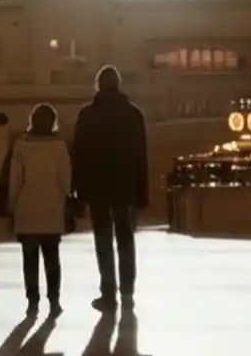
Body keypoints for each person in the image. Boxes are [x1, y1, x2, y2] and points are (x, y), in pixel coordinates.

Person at [72, 65, 148, 312]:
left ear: (98, 85)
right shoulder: (133, 114)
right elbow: (140, 156)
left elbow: (79, 155)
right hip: (125, 185)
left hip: (97, 186)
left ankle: (108, 293)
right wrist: (141, 192)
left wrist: (78, 189)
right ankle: (128, 290)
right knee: (125, 237)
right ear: (118, 84)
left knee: (103, 239)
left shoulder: (87, 115)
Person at [8, 104, 72, 318]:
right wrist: (66, 200)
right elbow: (65, 180)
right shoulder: (60, 146)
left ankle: (32, 301)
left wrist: (12, 205)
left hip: (27, 207)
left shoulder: (21, 146)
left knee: (29, 259)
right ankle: (54, 300)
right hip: (52, 207)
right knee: (52, 258)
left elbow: (15, 180)